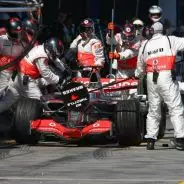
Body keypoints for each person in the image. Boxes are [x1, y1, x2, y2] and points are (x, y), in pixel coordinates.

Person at [135, 22, 184, 150]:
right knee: (175, 107)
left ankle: (150, 140)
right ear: (163, 30)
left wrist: (138, 74)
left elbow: (139, 65)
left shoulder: (145, 45)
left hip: (151, 78)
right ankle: (180, 139)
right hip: (166, 76)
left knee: (153, 108)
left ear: (151, 31)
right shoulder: (170, 40)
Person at [108, 23, 144, 99]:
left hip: (132, 70)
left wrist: (118, 56)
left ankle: (131, 107)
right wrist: (110, 33)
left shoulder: (138, 40)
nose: (127, 38)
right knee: (120, 92)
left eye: (130, 36)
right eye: (126, 35)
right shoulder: (118, 36)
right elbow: (110, 42)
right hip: (120, 69)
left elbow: (131, 53)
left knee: (132, 94)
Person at [0, 17, 28, 113]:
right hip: (2, 71)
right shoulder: (2, 40)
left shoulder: (24, 42)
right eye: (14, 32)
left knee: (14, 95)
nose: (17, 34)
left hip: (16, 74)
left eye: (18, 32)